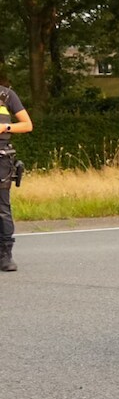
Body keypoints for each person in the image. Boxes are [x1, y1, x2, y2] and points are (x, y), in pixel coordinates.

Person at [0, 80, 33, 272]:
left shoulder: (6, 95)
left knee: (2, 207)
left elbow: (27, 125)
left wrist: (5, 128)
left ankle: (5, 254)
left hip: (2, 157)